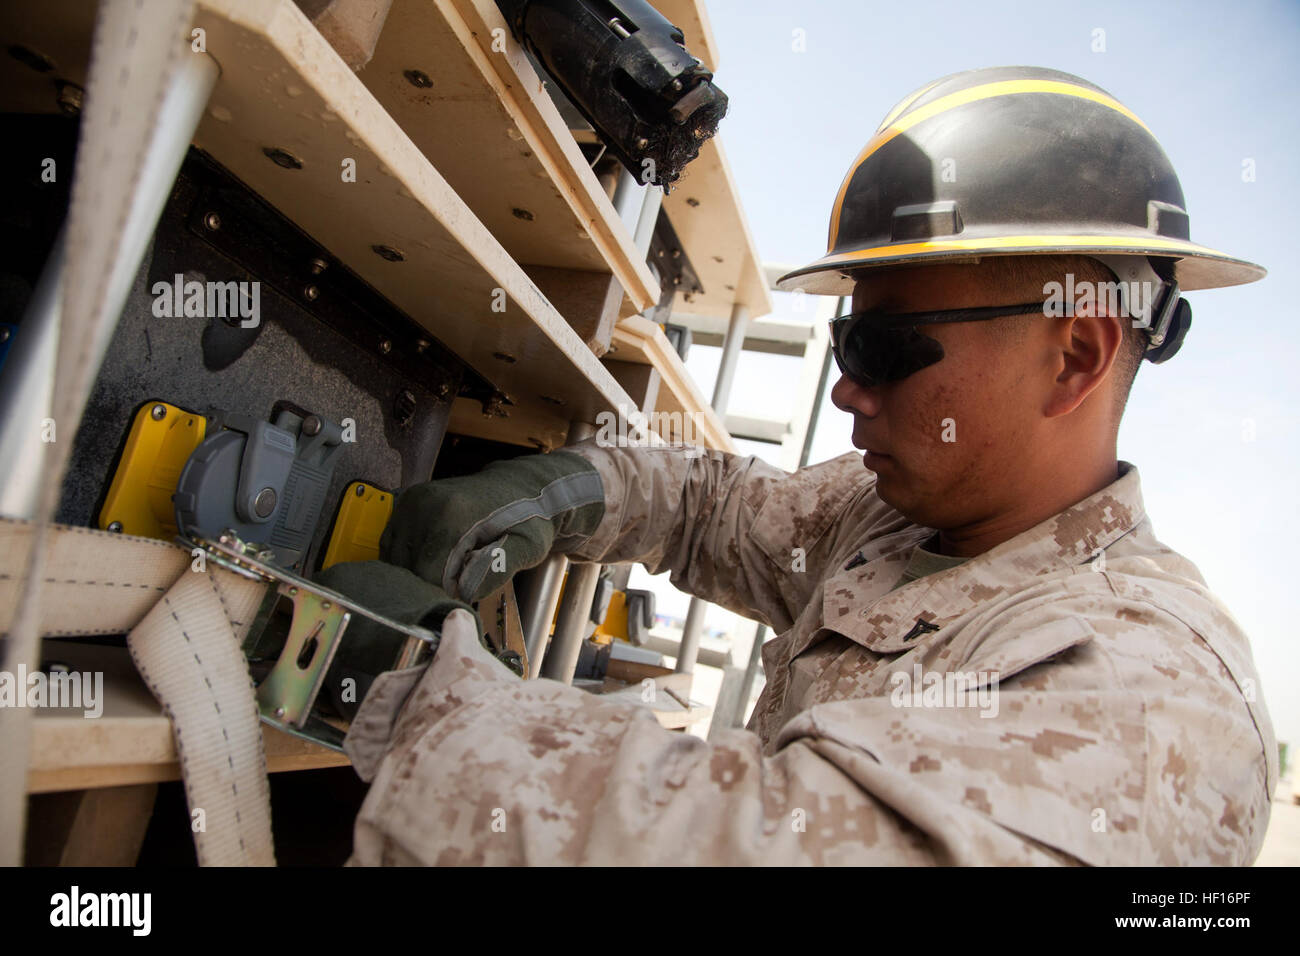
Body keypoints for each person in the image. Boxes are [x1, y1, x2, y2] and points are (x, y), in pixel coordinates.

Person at [322, 66, 1276, 865]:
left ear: (1074, 356)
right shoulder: (897, 520)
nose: (846, 393)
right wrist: (572, 489)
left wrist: (420, 696)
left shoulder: (1147, 692)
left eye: (887, 349)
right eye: (843, 345)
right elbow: (712, 507)